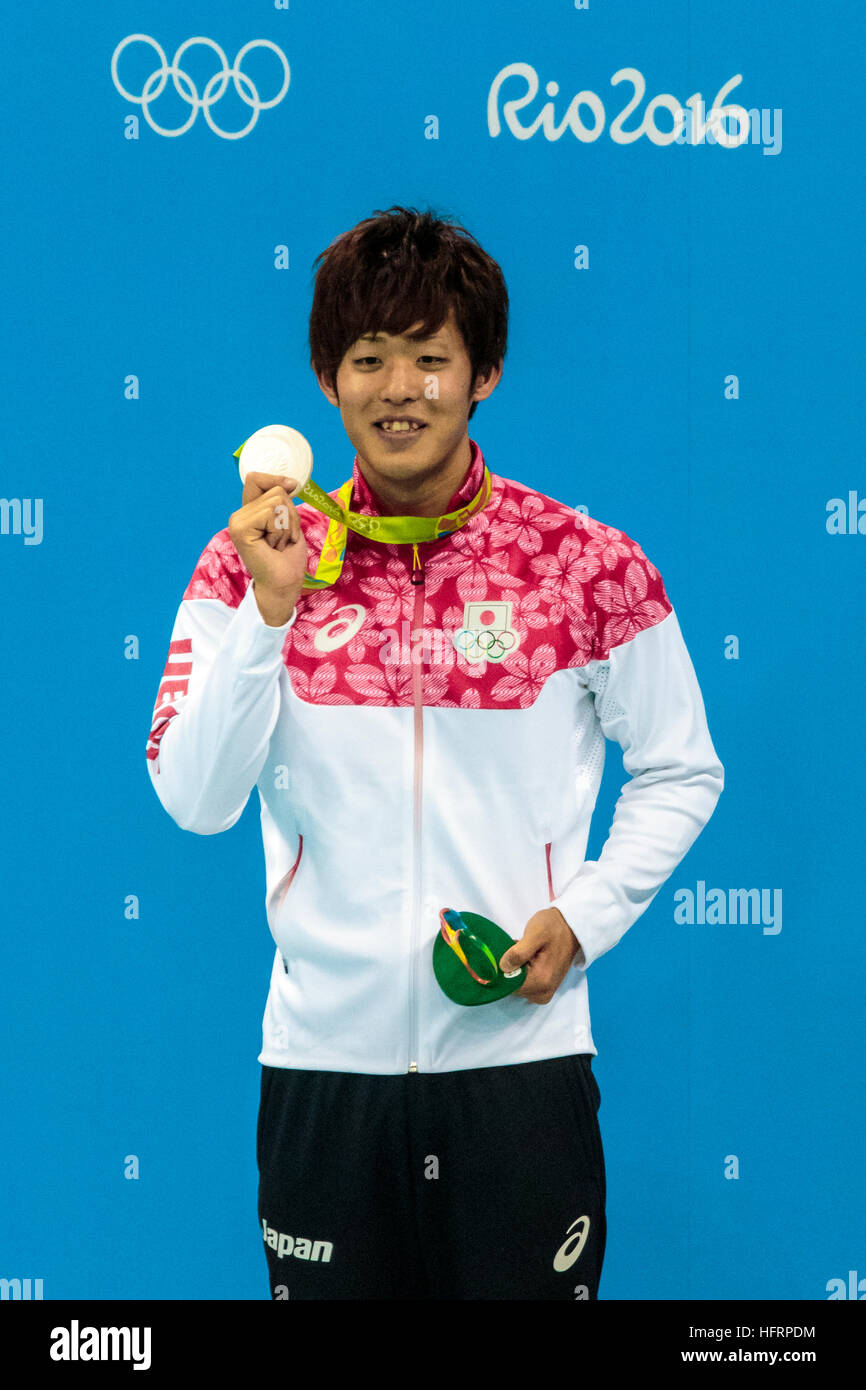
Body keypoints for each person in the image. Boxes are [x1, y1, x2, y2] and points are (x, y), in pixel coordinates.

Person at [146, 205, 724, 1300]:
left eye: (428, 357)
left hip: (519, 1067)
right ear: (328, 378)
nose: (397, 388)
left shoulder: (583, 563)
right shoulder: (248, 565)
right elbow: (195, 800)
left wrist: (585, 918)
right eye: (368, 358)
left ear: (484, 371)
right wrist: (270, 616)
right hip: (323, 1071)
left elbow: (683, 766)